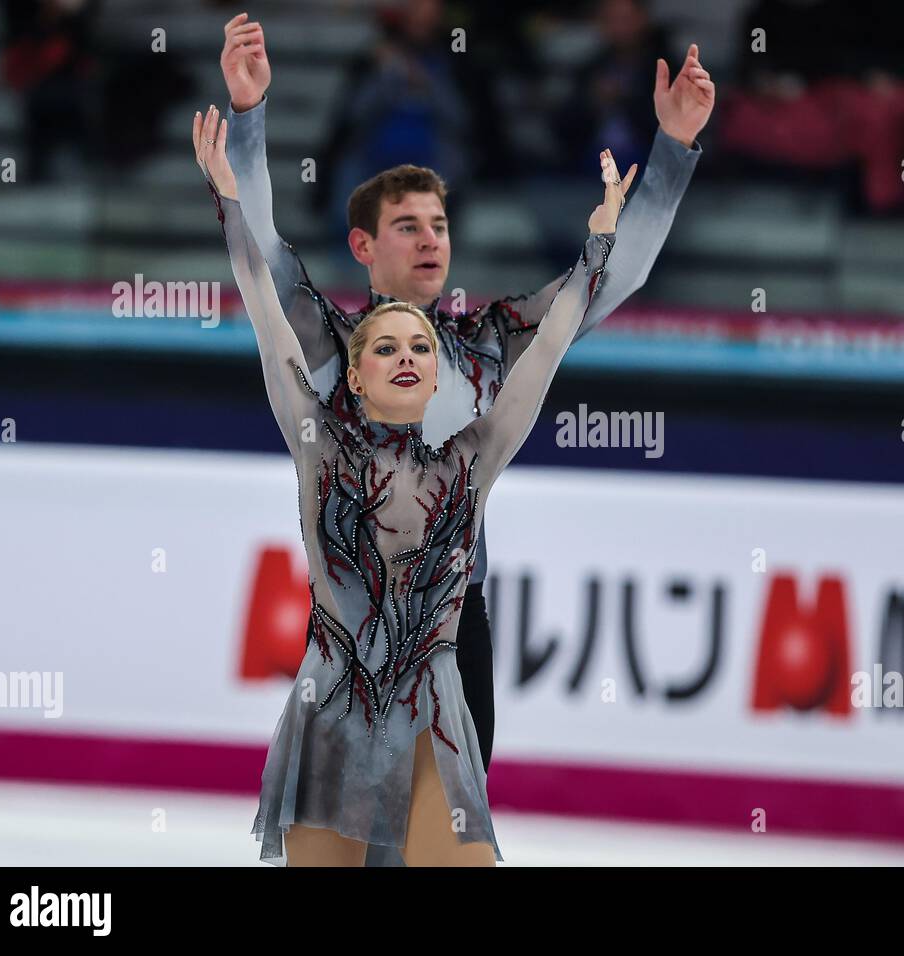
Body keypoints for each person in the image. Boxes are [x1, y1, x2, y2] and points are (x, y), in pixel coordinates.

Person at [213, 13, 714, 772]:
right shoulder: (328, 343)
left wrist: (672, 151)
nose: (430, 242)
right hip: (353, 629)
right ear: (363, 246)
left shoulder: (490, 342)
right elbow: (259, 252)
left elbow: (613, 277)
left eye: (440, 227)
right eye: (408, 227)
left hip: (455, 631)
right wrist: (248, 120)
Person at [196, 105, 626, 866]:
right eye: (385, 347)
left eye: (421, 347)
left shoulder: (476, 455)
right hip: (331, 704)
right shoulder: (316, 441)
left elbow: (552, 339)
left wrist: (599, 242)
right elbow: (264, 302)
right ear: (353, 377)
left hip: (434, 711)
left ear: (440, 374)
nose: (406, 357)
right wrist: (230, 198)